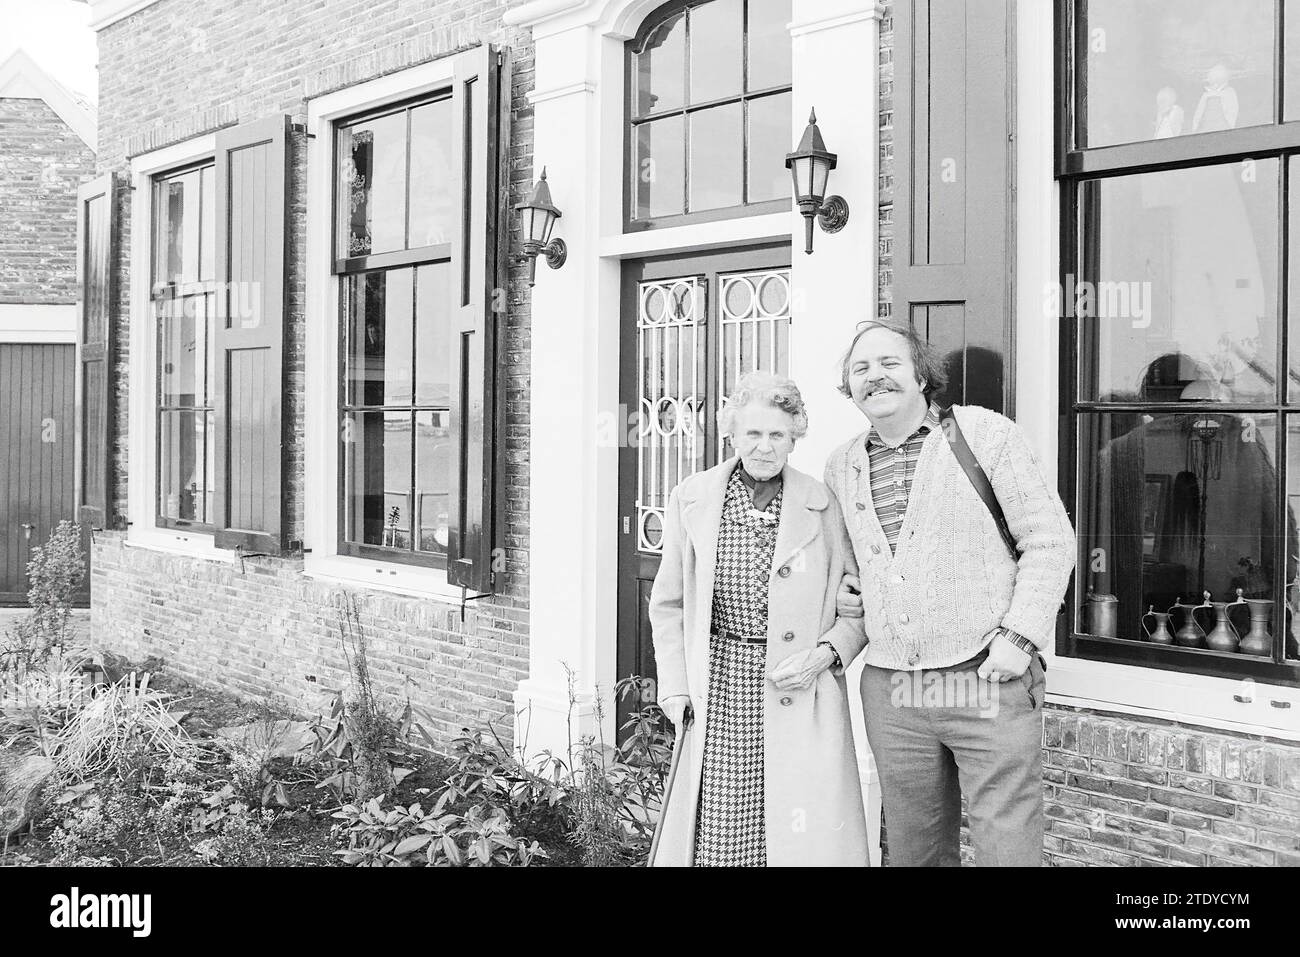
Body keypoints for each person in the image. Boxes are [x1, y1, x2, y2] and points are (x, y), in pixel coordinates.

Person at [829, 319, 1075, 866]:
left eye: (890, 363)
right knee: (915, 848)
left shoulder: (984, 434)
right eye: (860, 369)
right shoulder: (840, 465)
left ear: (921, 374)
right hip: (894, 688)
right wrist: (852, 599)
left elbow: (1051, 540)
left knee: (1005, 845)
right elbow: (856, 565)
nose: (875, 377)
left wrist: (1020, 636)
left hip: (986, 676)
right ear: (849, 387)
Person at [648, 371, 869, 867]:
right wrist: (677, 685)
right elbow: (668, 604)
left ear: (795, 436)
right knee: (726, 821)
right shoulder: (694, 498)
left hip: (801, 682)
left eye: (777, 434)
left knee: (799, 822)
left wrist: (829, 653)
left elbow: (857, 601)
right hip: (722, 683)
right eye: (753, 433)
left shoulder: (824, 503)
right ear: (732, 435)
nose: (765, 446)